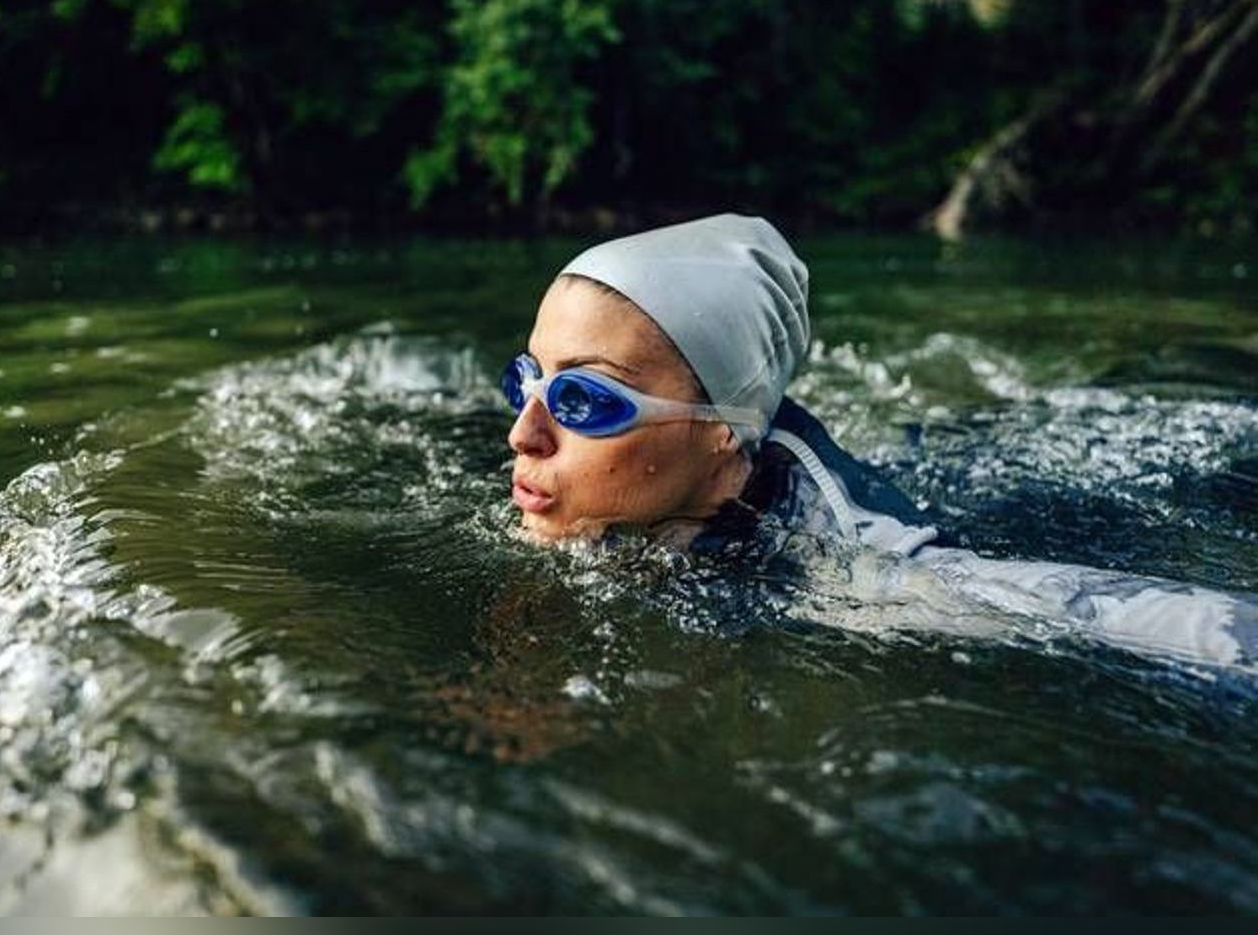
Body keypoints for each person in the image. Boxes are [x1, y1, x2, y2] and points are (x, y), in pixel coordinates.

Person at [503, 213, 1258, 668]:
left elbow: (1118, 615)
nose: (522, 433)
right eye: (527, 379)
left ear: (721, 434)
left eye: (582, 399)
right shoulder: (619, 471)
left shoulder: (847, 567)